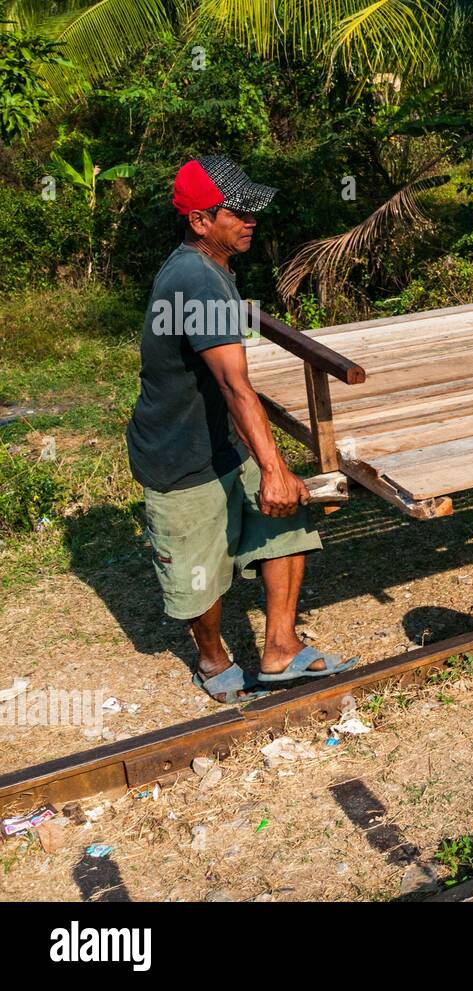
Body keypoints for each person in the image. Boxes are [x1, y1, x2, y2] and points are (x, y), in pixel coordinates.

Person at [126, 154, 356, 703]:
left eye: (253, 211)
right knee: (197, 570)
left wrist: (272, 474)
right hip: (178, 453)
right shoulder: (194, 281)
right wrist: (274, 467)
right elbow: (235, 386)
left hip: (222, 437)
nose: (251, 220)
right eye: (238, 212)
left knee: (286, 519)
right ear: (200, 221)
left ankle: (280, 648)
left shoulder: (214, 265)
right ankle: (211, 658)